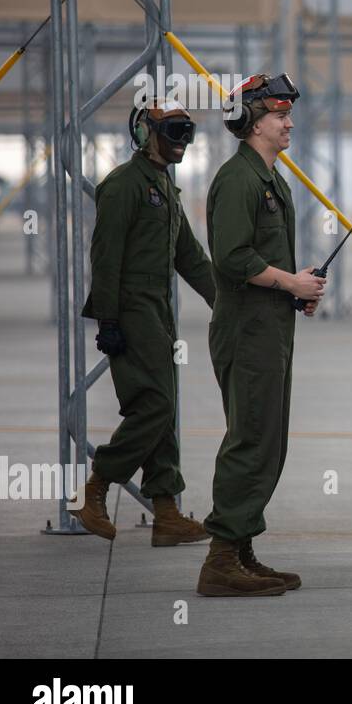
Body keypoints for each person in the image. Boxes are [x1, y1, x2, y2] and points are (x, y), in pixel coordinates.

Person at [197, 73, 324, 598]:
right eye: (279, 116)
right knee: (250, 439)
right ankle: (221, 559)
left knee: (268, 441)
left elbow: (262, 259)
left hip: (269, 328)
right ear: (253, 123)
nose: (289, 124)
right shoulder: (239, 180)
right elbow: (231, 257)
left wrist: (297, 290)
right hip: (247, 332)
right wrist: (289, 280)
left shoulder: (271, 179)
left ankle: (242, 550)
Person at [75, 99, 215, 546]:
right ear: (144, 133)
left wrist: (230, 301)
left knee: (164, 407)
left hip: (157, 311)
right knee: (152, 406)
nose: (181, 144)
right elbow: (106, 257)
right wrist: (109, 320)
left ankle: (168, 512)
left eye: (185, 134)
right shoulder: (123, 186)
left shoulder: (164, 188)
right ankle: (96, 488)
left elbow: (190, 257)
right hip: (131, 311)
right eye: (173, 132)